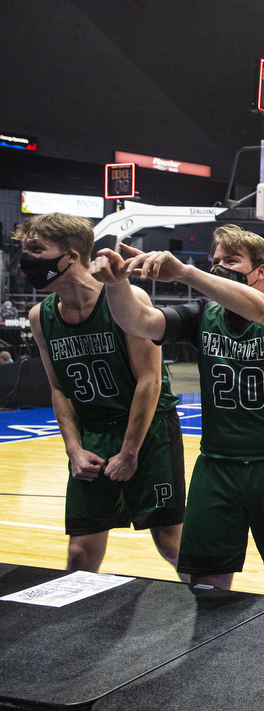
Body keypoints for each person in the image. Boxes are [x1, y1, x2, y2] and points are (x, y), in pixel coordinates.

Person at [91, 225, 264, 602]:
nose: (219, 267)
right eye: (214, 261)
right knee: (206, 587)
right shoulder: (202, 315)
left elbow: (259, 308)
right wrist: (116, 284)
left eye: (230, 260)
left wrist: (185, 272)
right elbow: (137, 323)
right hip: (216, 468)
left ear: (260, 270)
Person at [16, 213, 184, 575]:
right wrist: (73, 449)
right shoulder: (39, 316)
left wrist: (130, 451)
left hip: (147, 430)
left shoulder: (124, 297)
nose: (25, 259)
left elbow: (149, 381)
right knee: (80, 555)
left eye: (35, 249)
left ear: (71, 255)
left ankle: (217, 612)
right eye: (23, 249)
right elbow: (60, 389)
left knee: (171, 542)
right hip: (93, 432)